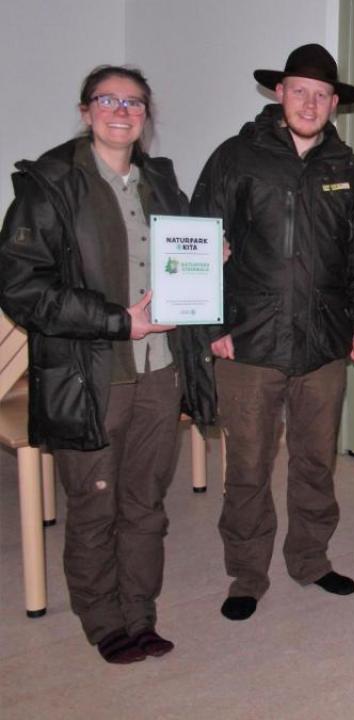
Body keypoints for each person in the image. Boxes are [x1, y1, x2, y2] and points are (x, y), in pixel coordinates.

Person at [0, 65, 216, 662]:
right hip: (88, 374)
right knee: (94, 503)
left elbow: (179, 259)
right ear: (85, 110)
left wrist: (208, 257)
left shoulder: (161, 183)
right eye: (108, 100)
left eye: (134, 103)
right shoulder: (49, 185)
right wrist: (117, 320)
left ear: (147, 116)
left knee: (145, 504)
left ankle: (140, 614)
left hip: (160, 371)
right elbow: (21, 288)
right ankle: (103, 621)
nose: (122, 111)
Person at [190, 43, 354, 622]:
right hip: (248, 341)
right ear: (280, 92)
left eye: (322, 95)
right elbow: (198, 242)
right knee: (247, 466)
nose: (310, 103)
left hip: (323, 343)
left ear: (334, 103)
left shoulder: (348, 170)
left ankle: (311, 559)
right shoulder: (236, 158)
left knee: (315, 461)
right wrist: (214, 324)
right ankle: (247, 573)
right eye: (300, 91)